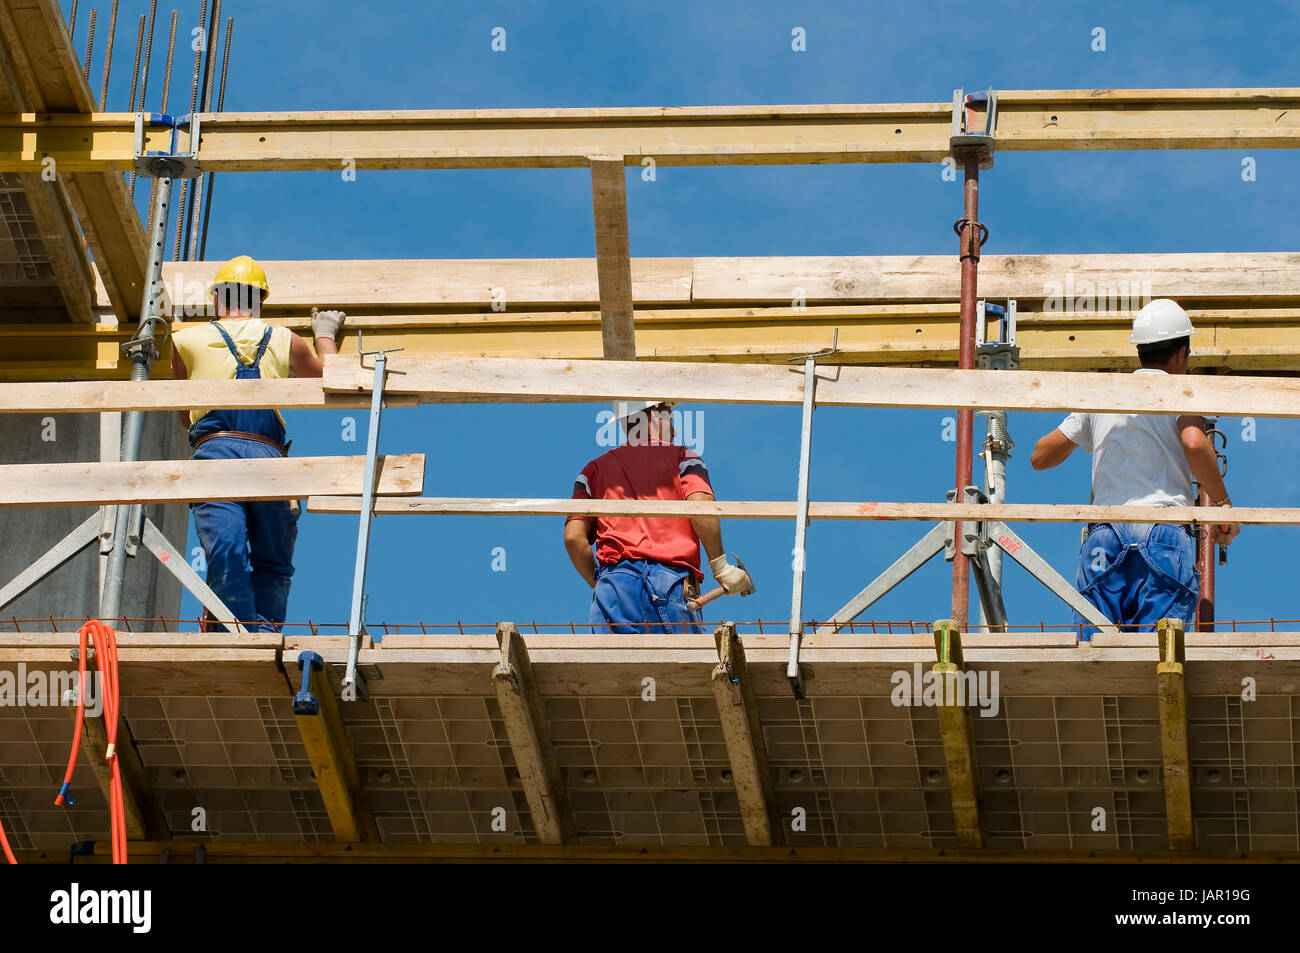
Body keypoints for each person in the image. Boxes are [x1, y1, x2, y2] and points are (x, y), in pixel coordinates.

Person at [1030, 298, 1238, 633]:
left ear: (1139, 350)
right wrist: (1223, 507)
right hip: (1163, 533)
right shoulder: (1182, 392)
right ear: (1182, 353)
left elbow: (1040, 457)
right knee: (1160, 649)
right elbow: (1195, 443)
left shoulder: (1102, 396)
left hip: (1105, 536)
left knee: (1095, 647)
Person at [169, 255, 346, 632]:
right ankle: (262, 632)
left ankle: (232, 632)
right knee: (273, 558)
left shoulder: (183, 340)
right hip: (269, 458)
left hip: (216, 452)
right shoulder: (285, 338)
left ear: (217, 299)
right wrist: (326, 334)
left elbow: (186, 416)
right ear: (260, 301)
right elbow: (333, 376)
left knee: (227, 550)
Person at [564, 400, 751, 633]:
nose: (674, 430)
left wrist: (598, 582)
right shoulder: (682, 458)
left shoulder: (593, 471)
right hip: (669, 581)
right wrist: (721, 568)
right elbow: (700, 506)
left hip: (613, 586)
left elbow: (573, 537)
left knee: (614, 667)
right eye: (671, 420)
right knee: (680, 667)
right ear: (654, 415)